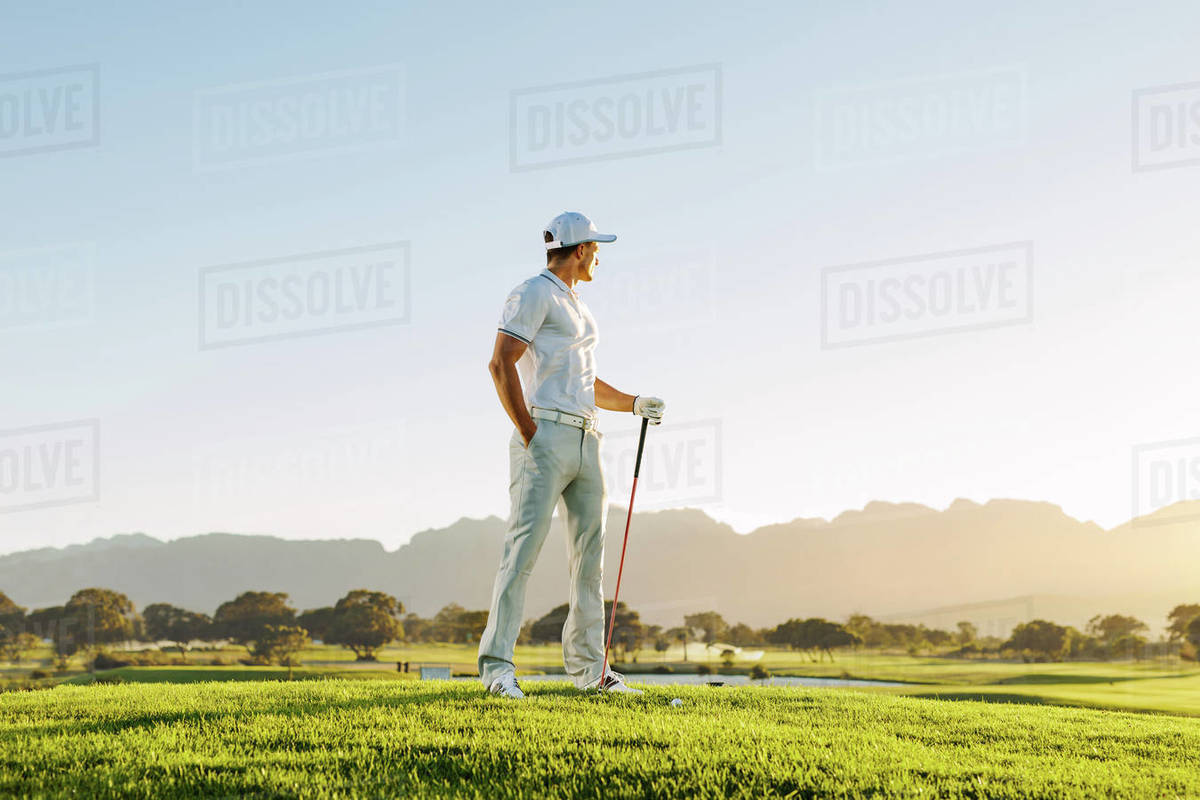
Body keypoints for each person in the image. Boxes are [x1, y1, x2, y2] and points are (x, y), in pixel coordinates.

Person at [477, 211, 665, 699]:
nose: (599, 255)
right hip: (545, 439)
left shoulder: (578, 307)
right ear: (579, 249)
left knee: (590, 562)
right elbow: (501, 363)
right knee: (521, 554)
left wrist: (633, 404)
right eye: (595, 248)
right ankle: (497, 670)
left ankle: (591, 673)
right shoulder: (534, 292)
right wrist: (528, 431)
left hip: (589, 439)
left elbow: (586, 383)